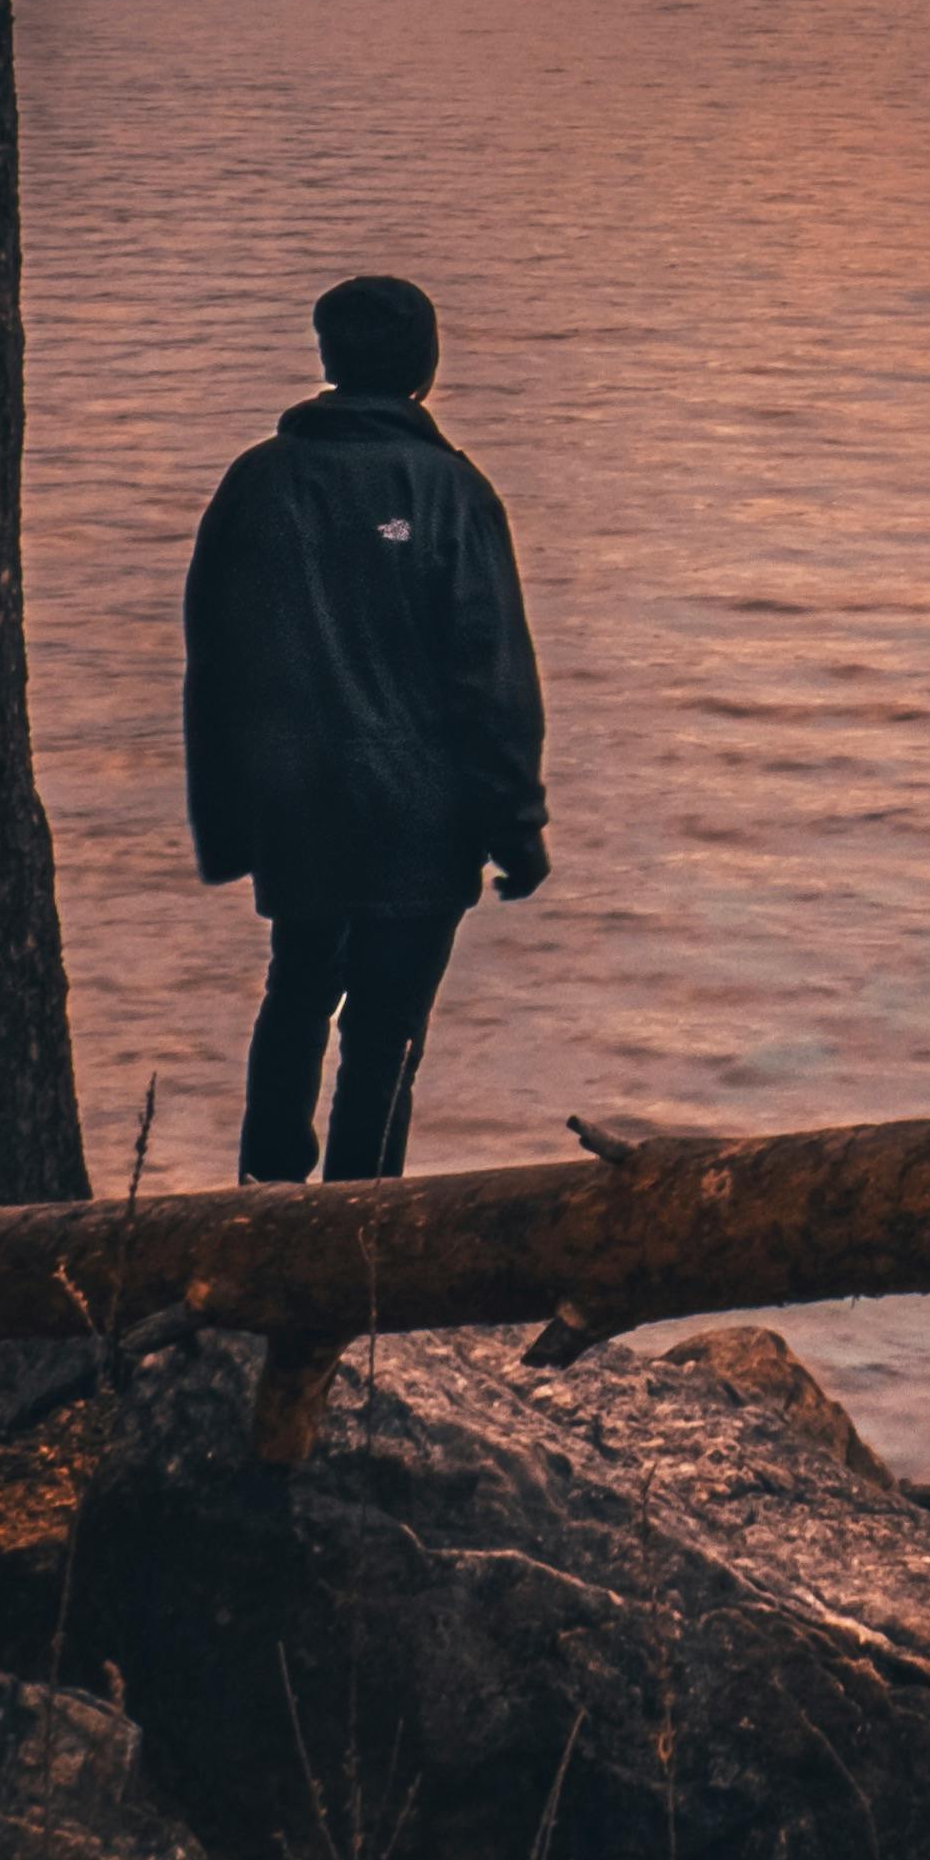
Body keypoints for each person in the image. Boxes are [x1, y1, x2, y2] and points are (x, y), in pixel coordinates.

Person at [184, 272, 551, 1185]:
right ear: (426, 365)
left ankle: (264, 1198)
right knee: (385, 1035)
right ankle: (361, 1234)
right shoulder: (450, 491)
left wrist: (226, 822)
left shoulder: (258, 481)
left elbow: (213, 662)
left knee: (297, 992)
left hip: (292, 802)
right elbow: (490, 673)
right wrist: (517, 825)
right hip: (419, 816)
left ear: (326, 361)